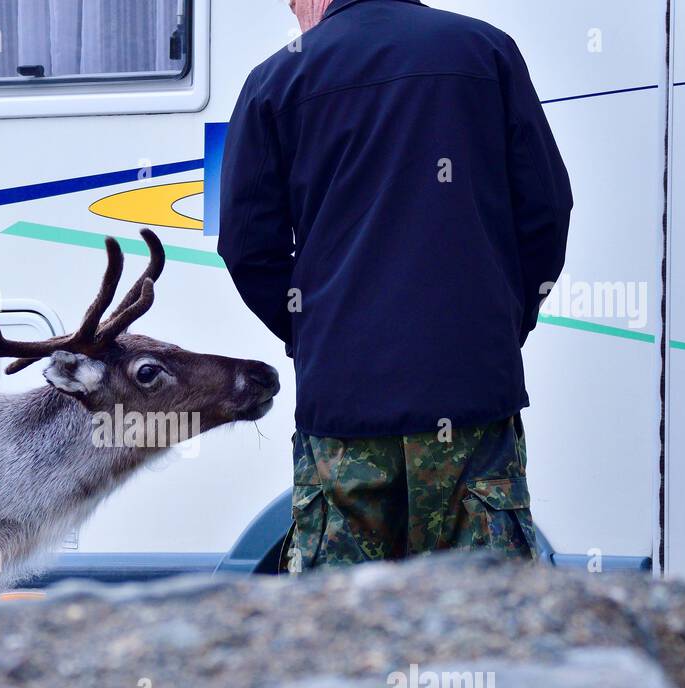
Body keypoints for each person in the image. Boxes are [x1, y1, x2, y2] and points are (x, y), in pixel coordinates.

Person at [218, 0, 572, 569]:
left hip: (344, 403)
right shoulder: (486, 52)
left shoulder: (276, 78)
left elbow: (245, 246)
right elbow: (548, 211)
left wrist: (316, 333)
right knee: (486, 622)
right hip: (471, 392)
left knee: (344, 633)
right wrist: (499, 327)